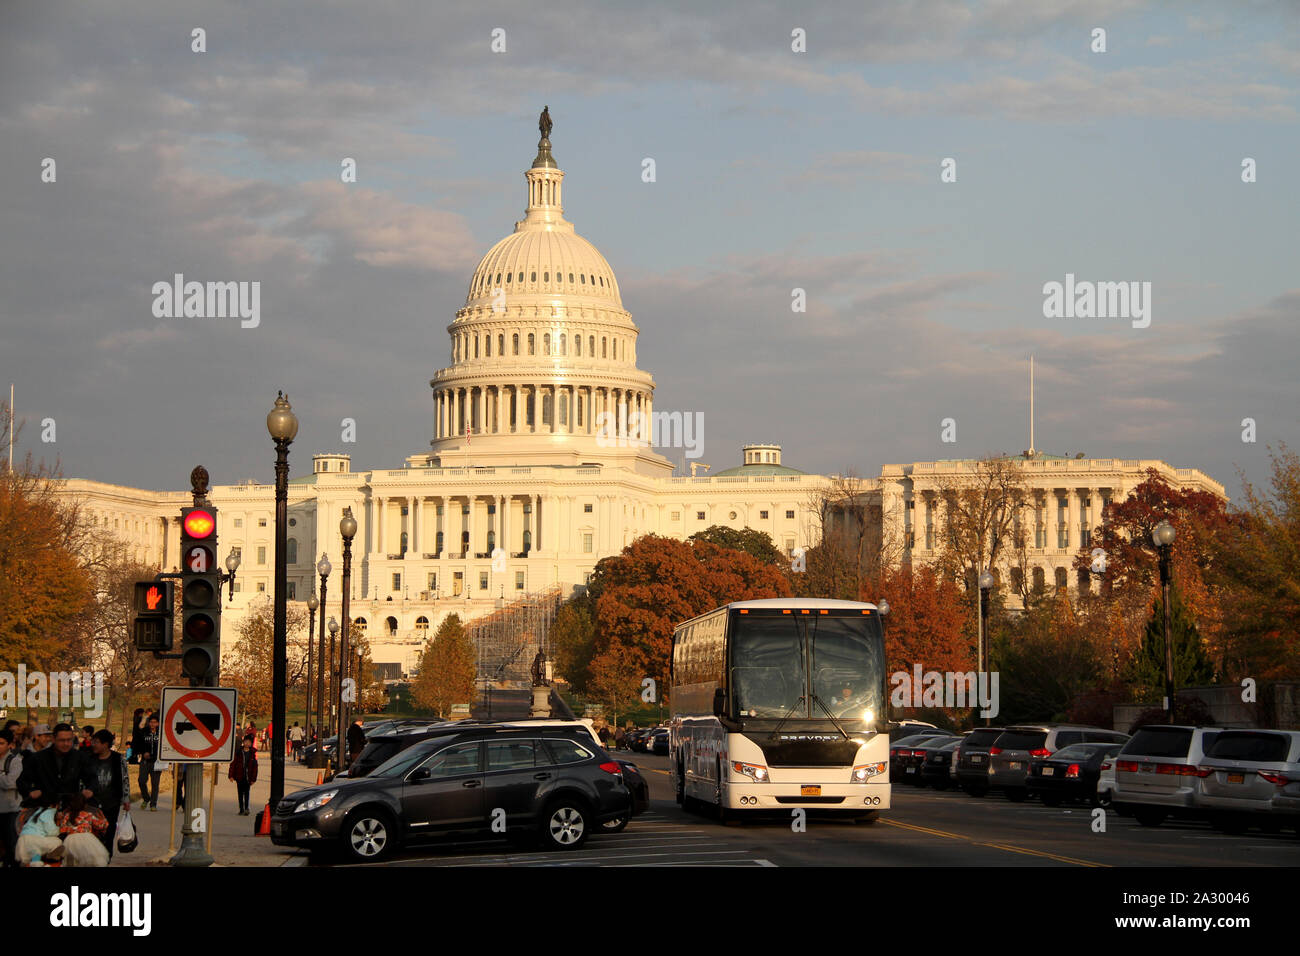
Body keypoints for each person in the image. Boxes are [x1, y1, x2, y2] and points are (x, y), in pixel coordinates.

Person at [81, 730, 130, 860]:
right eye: (93, 741)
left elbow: (125, 779)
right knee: (92, 831)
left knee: (109, 831)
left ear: (105, 744)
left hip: (111, 802)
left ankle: (106, 856)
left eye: (96, 742)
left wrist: (126, 799)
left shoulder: (118, 759)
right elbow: (82, 778)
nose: (93, 744)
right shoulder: (89, 759)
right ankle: (93, 857)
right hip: (92, 803)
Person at [16, 723, 83, 808]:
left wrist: (90, 790)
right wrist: (30, 791)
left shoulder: (79, 757)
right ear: (54, 739)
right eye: (62, 740)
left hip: (71, 806)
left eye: (69, 740)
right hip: (44, 806)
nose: (66, 743)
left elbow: (90, 777)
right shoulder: (37, 758)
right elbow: (22, 781)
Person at [55, 793, 110, 867]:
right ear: (84, 805)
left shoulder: (67, 815)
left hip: (70, 840)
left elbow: (62, 829)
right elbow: (101, 826)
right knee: (92, 859)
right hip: (86, 839)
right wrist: (104, 819)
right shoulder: (88, 815)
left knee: (74, 860)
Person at [0, 729, 23, 867]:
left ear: (9, 745)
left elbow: (10, 783)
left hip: (11, 809)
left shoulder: (14, 761)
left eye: (1, 743)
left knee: (11, 843)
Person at [228, 735, 258, 815]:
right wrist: (231, 775)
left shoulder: (252, 754)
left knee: (247, 793)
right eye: (246, 742)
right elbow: (233, 764)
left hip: (248, 777)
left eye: (249, 742)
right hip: (239, 776)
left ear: (251, 744)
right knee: (240, 793)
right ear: (243, 742)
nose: (247, 743)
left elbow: (255, 768)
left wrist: (253, 779)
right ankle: (241, 808)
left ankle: (247, 808)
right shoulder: (238, 752)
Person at [138, 715, 162, 810]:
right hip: (145, 761)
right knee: (141, 781)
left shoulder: (161, 734)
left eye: (154, 722)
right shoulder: (144, 733)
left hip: (157, 762)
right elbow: (139, 744)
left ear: (158, 723)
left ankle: (153, 804)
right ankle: (146, 798)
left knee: (155, 784)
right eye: (151, 722)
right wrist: (143, 753)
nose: (152, 724)